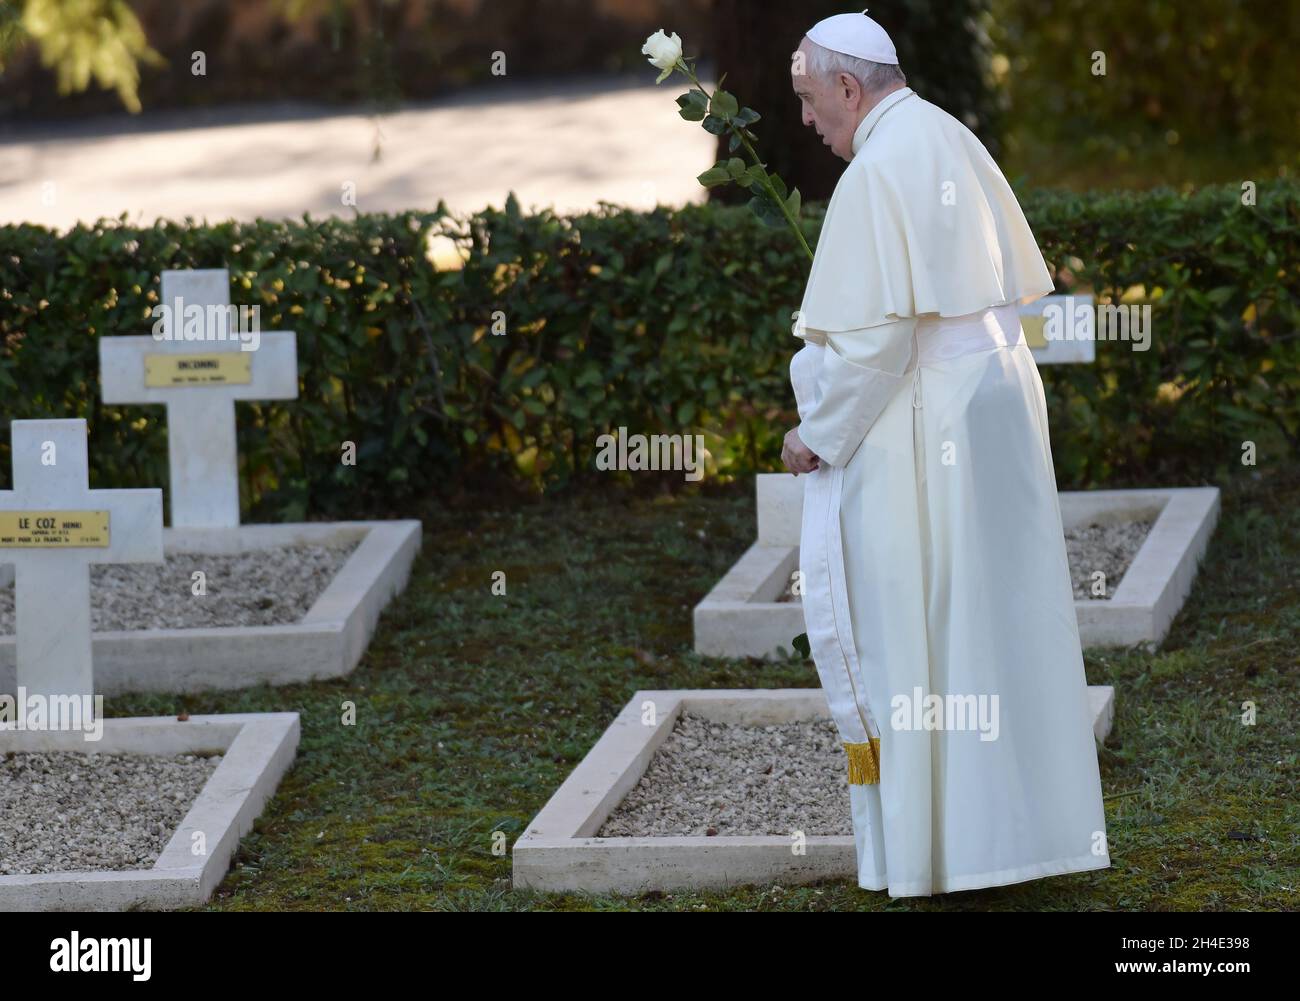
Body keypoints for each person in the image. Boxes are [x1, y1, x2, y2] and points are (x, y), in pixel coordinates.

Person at [782, 10, 1111, 897]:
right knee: (996, 623)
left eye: (812, 102)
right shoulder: (946, 133)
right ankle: (1020, 838)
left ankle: (948, 852)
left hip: (932, 423)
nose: (808, 122)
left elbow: (871, 345)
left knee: (930, 627)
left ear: (849, 88)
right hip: (995, 404)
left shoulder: (878, 169)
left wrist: (812, 431)